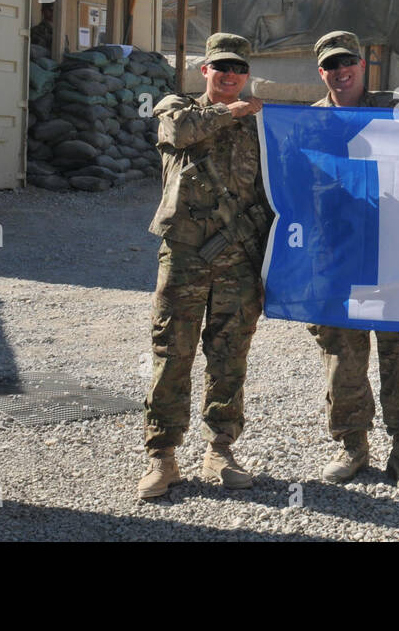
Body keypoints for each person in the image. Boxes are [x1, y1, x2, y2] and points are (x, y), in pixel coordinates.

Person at [137, 32, 269, 500]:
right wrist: (229, 112)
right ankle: (163, 456)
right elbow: (177, 133)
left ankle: (221, 449)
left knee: (229, 357)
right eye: (221, 68)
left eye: (238, 69)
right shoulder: (177, 108)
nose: (230, 75)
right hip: (187, 254)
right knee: (173, 353)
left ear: (246, 74)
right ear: (204, 71)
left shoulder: (263, 126)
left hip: (239, 258)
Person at [309, 30, 399, 493]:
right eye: (331, 65)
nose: (341, 72)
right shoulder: (308, 123)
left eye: (349, 62)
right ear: (321, 71)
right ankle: (352, 447)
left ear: (363, 65)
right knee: (343, 359)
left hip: (398, 253)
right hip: (340, 261)